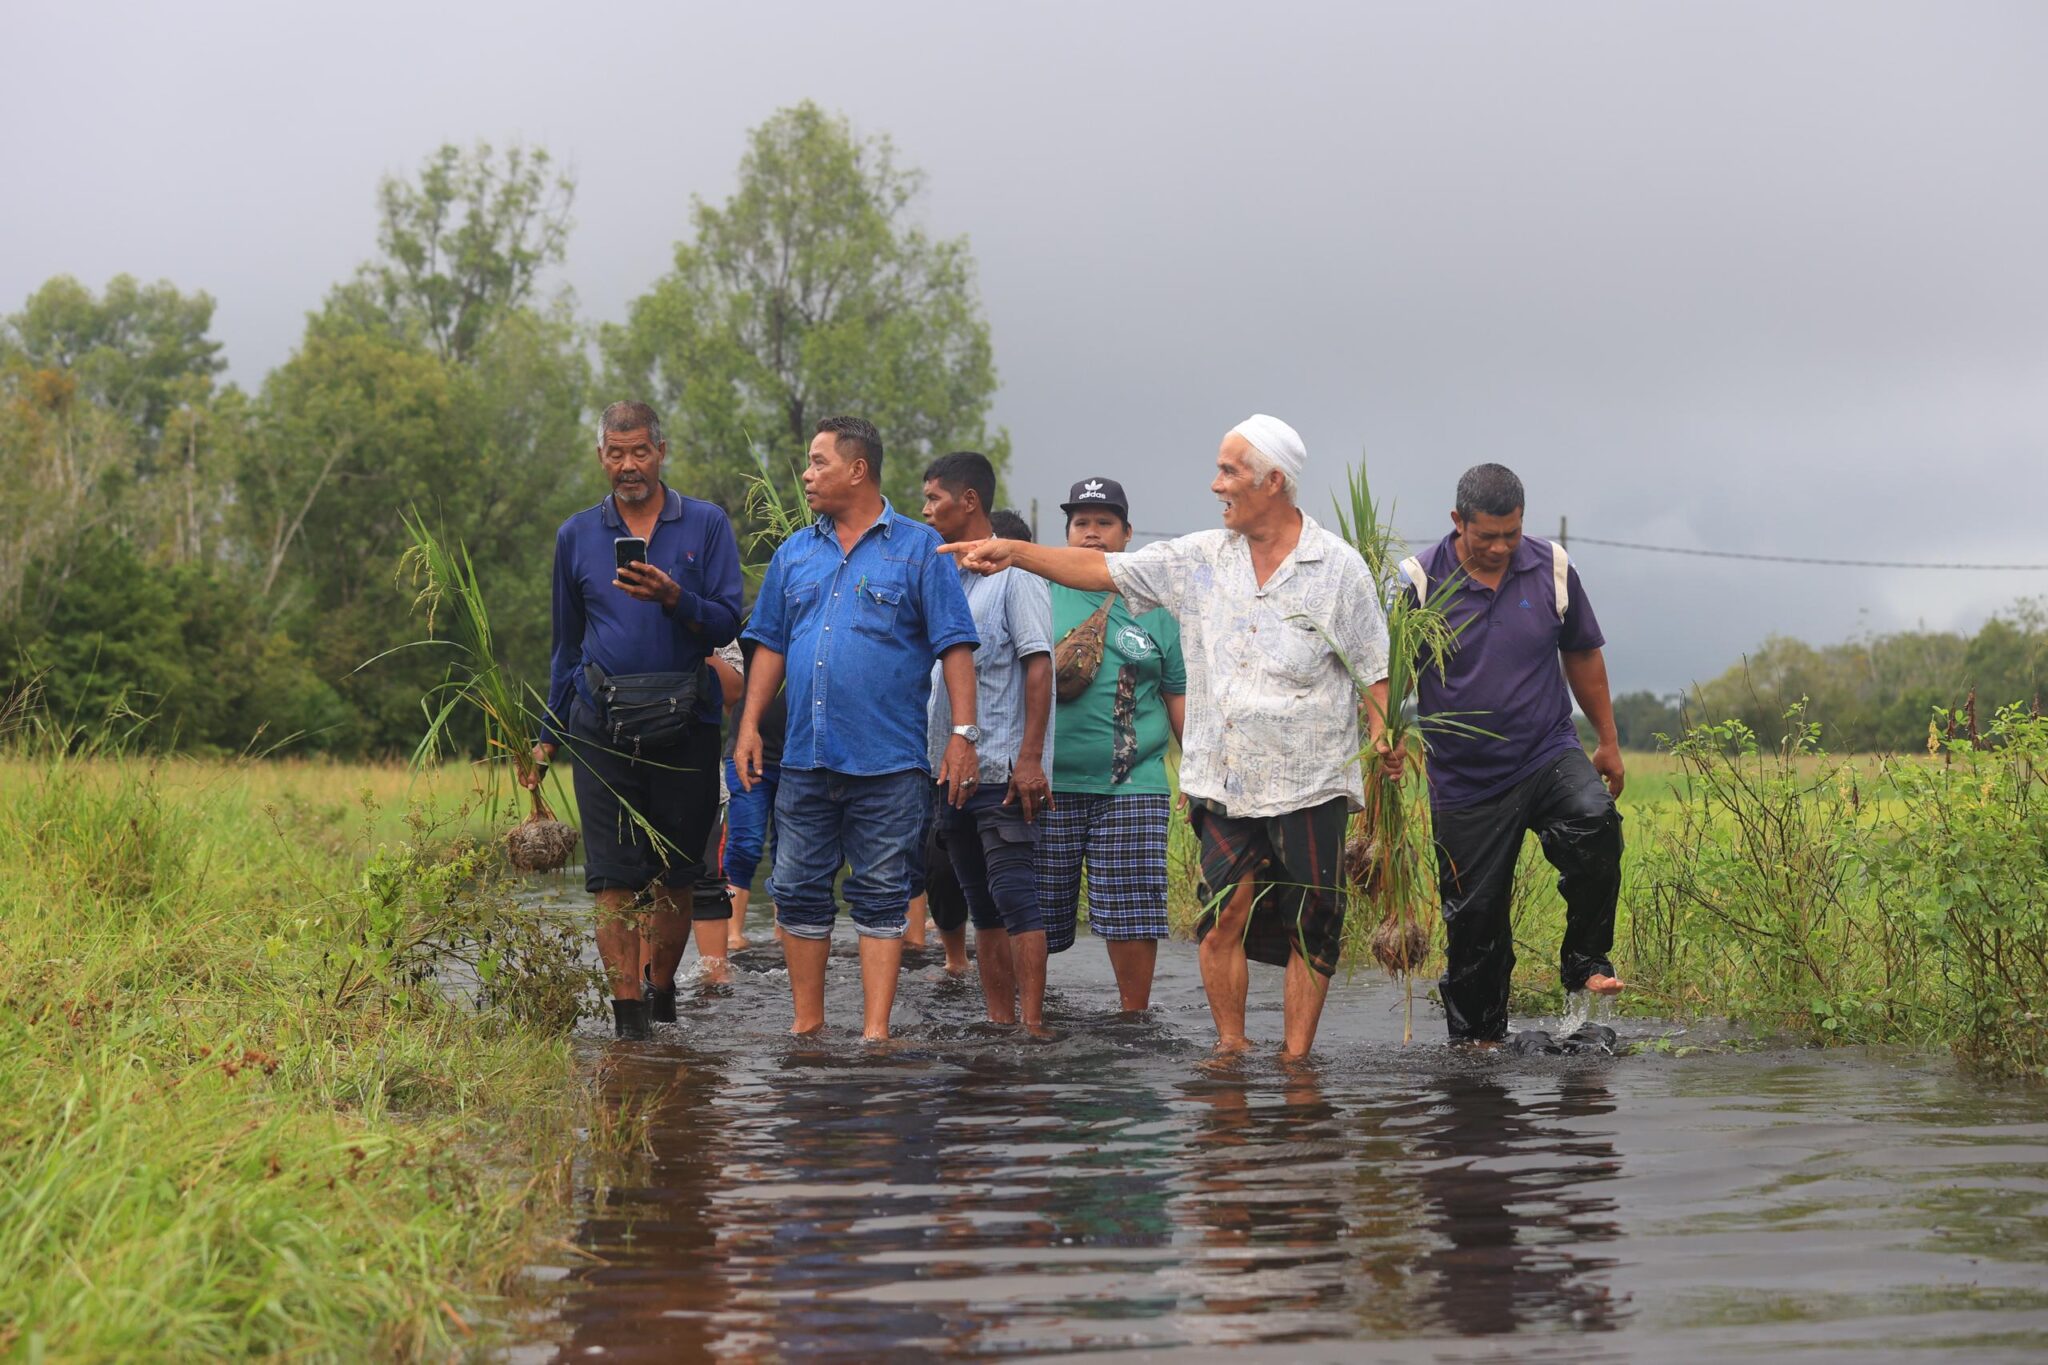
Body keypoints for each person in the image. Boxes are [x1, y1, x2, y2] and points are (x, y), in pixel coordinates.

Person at [944, 415, 1393, 1059]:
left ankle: (1296, 1061)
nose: (1216, 484)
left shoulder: (1338, 570)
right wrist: (1013, 552)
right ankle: (1232, 1050)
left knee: (1311, 924)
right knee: (1219, 924)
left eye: (1229, 471)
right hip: (1223, 778)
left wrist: (1381, 738)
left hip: (1310, 778)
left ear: (1273, 481)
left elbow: (1373, 669)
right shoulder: (1201, 560)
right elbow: (1100, 571)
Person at [733, 416, 980, 1041]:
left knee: (881, 893)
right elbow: (768, 646)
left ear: (858, 469)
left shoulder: (919, 548)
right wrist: (750, 726)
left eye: (818, 463)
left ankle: (875, 1035)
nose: (808, 475)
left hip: (889, 762)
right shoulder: (795, 553)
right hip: (806, 760)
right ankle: (807, 1027)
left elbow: (955, 646)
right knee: (796, 890)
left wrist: (962, 735)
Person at [527, 401, 744, 1040]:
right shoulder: (576, 535)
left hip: (688, 724)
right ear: (601, 457)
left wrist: (674, 598)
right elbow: (567, 646)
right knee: (613, 881)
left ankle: (662, 992)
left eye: (640, 452)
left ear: (661, 451)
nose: (628, 465)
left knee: (677, 877)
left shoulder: (704, 524)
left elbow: (731, 622)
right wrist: (546, 733)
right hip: (602, 728)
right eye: (616, 453)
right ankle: (629, 1026)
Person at [1395, 463, 1626, 1047]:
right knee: (1475, 920)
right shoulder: (1421, 581)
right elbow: (1390, 674)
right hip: (1464, 779)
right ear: (1457, 522)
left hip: (1545, 751)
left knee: (1595, 820)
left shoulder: (1551, 568)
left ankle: (1585, 961)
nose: (1499, 547)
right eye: (1485, 536)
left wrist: (1608, 738)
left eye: (1511, 534)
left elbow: (1582, 655)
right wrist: (1386, 735)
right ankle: (1480, 1047)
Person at [1035, 477, 1186, 1012]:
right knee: (1035, 912)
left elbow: (1177, 699)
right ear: (1067, 533)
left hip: (1134, 785)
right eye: (1081, 523)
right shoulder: (1039, 591)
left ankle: (1133, 1019)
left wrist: (1196, 781)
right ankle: (1029, 1018)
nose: (1092, 533)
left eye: (1104, 523)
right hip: (1045, 783)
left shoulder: (1157, 607)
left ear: (1127, 534)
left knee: (1132, 911)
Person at [920, 452, 1055, 1028]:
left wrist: (1029, 759)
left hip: (1002, 771)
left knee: (1017, 901)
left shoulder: (1016, 576)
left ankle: (1033, 1028)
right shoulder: (944, 578)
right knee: (982, 909)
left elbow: (1040, 665)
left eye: (934, 499)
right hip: (950, 772)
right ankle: (1000, 1023)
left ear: (968, 500)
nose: (925, 512)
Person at [719, 627, 783, 950]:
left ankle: (783, 933)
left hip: (798, 756)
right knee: (745, 843)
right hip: (746, 753)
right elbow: (727, 674)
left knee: (789, 851)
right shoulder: (752, 621)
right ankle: (732, 933)